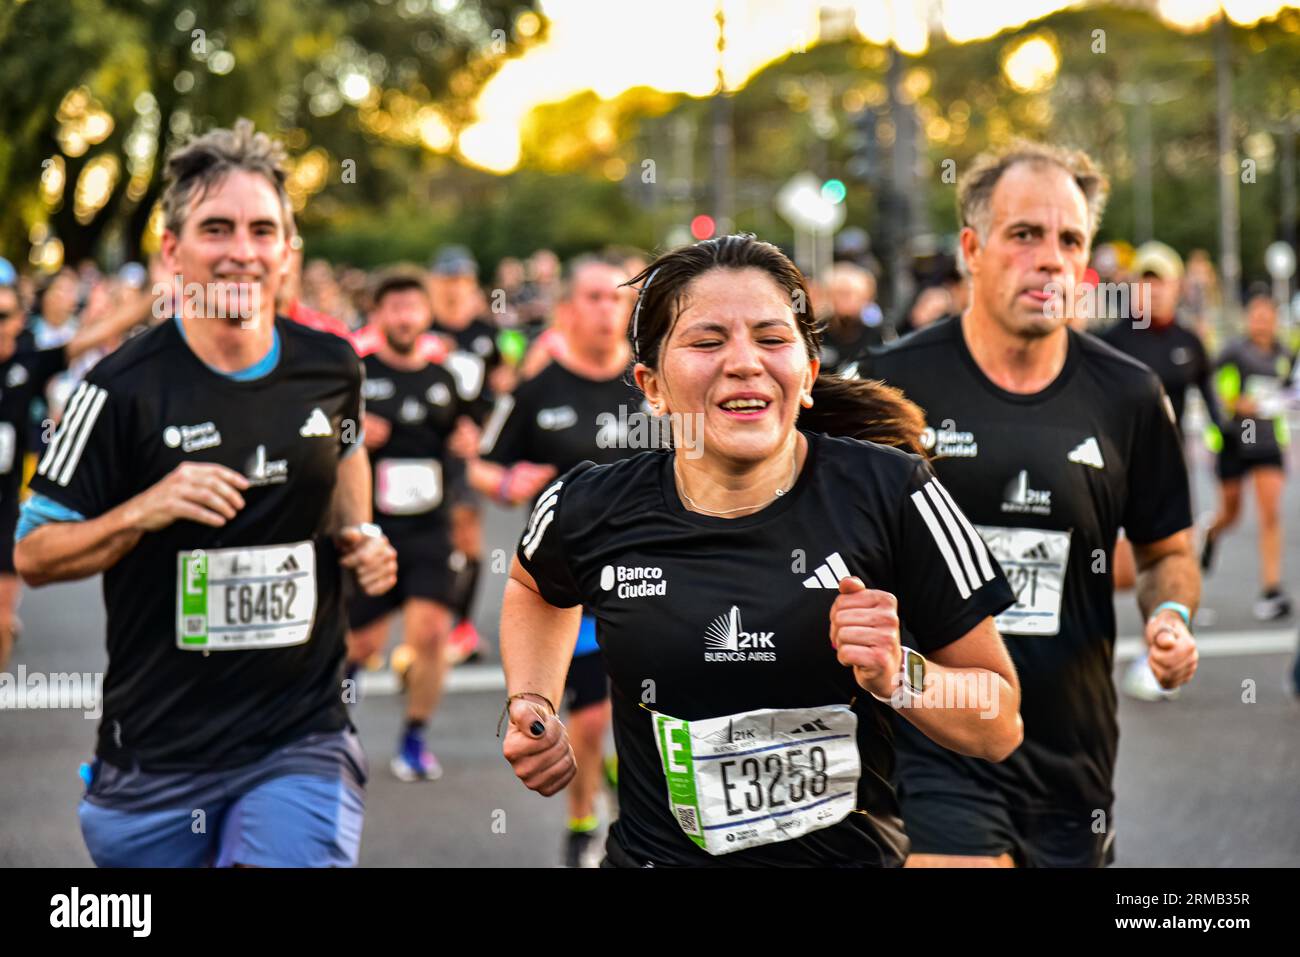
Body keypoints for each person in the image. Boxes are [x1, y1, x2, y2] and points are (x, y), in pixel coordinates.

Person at [500, 234, 1023, 867]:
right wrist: (532, 700)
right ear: (651, 385)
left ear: (806, 374)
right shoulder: (590, 506)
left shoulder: (893, 492)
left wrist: (900, 675)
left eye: (772, 339)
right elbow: (534, 586)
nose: (745, 361)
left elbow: (999, 723)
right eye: (707, 340)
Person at [13, 119, 397, 868]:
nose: (241, 252)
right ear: (171, 250)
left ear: (287, 250)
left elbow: (345, 448)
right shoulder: (118, 389)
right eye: (216, 228)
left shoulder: (331, 364)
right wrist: (142, 508)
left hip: (300, 732)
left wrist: (362, 534)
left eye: (263, 230)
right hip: (156, 752)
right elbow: (32, 552)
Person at [864, 141, 1200, 867]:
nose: (1051, 258)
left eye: (1070, 240)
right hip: (932, 748)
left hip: (1070, 759)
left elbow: (1167, 551)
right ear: (972, 248)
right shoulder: (890, 386)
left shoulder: (1129, 395)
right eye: (1025, 235)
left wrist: (1169, 616)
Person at [473, 254, 640, 866]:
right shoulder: (537, 391)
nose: (607, 310)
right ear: (567, 309)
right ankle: (582, 825)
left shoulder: (653, 384)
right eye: (594, 298)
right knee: (591, 721)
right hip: (572, 589)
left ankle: (642, 808)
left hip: (655, 585)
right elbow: (484, 463)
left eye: (617, 300)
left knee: (649, 712)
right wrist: (508, 483)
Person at [346, 265, 478, 781]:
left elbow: (463, 433)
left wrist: (465, 442)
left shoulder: (442, 378)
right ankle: (334, 726)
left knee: (429, 635)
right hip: (371, 528)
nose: (404, 317)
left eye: (412, 307)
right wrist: (352, 430)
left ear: (425, 315)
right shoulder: (355, 373)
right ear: (378, 316)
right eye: (393, 308)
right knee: (361, 644)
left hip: (429, 528)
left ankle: (415, 738)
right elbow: (319, 434)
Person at [1098, 240, 1221, 699]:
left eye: (1159, 282)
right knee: (1120, 569)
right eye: (1143, 282)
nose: (1151, 291)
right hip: (1115, 466)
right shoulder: (1113, 341)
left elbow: (1208, 399)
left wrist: (1228, 440)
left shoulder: (1188, 343)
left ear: (1176, 287)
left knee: (1173, 554)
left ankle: (1158, 649)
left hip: (1170, 468)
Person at [1202, 286, 1293, 622]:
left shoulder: (1285, 354)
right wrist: (1233, 403)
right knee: (1232, 512)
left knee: (1270, 513)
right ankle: (1211, 533)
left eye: (1268, 317)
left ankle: (1271, 589)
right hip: (1235, 440)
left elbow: (1291, 389)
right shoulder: (1234, 351)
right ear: (1248, 319)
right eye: (1256, 316)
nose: (1262, 323)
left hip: (1269, 442)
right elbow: (1205, 378)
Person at [818, 262, 885, 374]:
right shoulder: (815, 333)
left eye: (850, 294)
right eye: (839, 293)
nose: (845, 300)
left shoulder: (879, 335)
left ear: (866, 297)